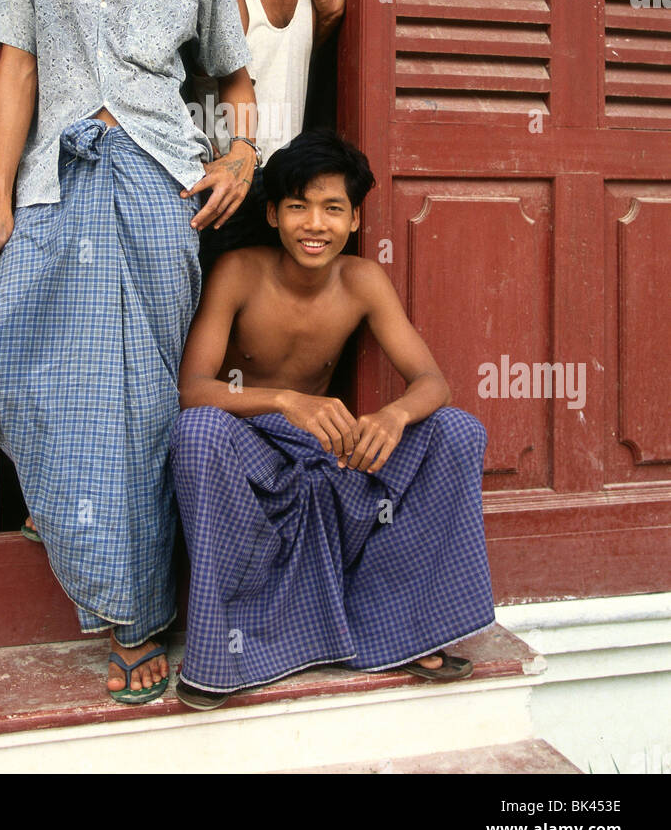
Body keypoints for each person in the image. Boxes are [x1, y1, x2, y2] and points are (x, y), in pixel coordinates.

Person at [0, 0, 258, 705]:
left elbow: (232, 79)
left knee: (138, 404)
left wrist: (241, 157)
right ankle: (72, 519)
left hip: (158, 190)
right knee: (8, 371)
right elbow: (14, 68)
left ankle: (138, 616)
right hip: (56, 180)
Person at [170, 129, 495, 708]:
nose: (313, 224)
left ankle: (402, 624)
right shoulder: (240, 271)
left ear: (354, 220)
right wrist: (285, 401)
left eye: (331, 209)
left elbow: (433, 383)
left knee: (457, 430)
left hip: (332, 460)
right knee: (197, 433)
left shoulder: (363, 280)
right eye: (297, 206)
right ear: (272, 214)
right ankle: (227, 649)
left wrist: (392, 417)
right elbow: (193, 390)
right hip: (258, 463)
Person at [196, 0, 347, 268]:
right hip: (224, 177)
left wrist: (329, 17)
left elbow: (284, 66)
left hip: (291, 186)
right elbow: (222, 79)